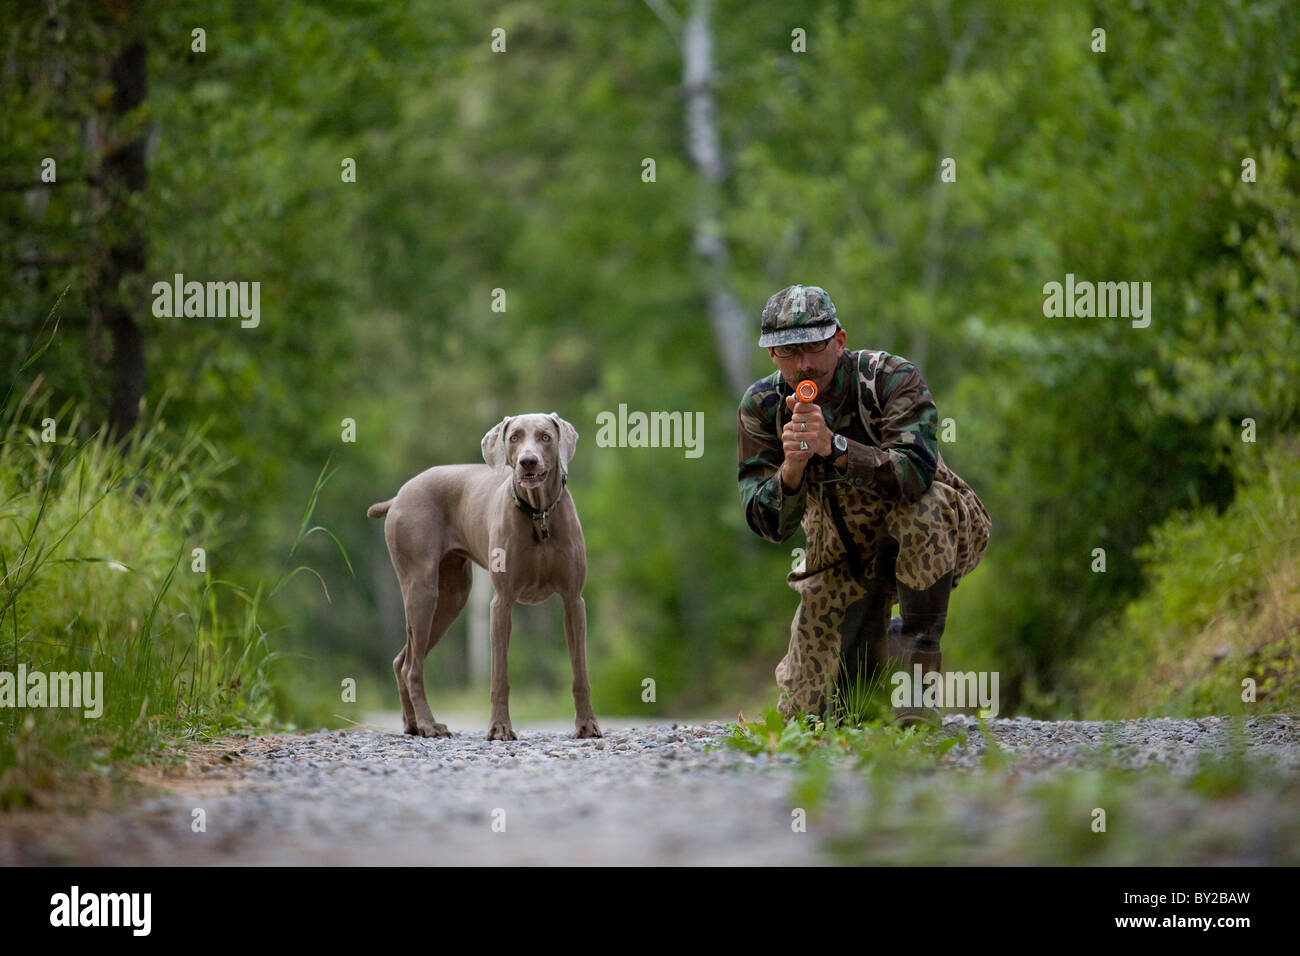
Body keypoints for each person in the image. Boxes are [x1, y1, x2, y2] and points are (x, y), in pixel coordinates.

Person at [736, 284, 991, 726]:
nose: (805, 363)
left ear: (840, 340)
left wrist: (834, 446)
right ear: (772, 357)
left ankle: (917, 680)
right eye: (789, 352)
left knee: (924, 509)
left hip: (935, 530)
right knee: (817, 719)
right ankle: (879, 646)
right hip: (840, 556)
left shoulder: (890, 378)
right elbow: (766, 524)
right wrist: (792, 470)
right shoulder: (763, 406)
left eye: (815, 346)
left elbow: (915, 476)